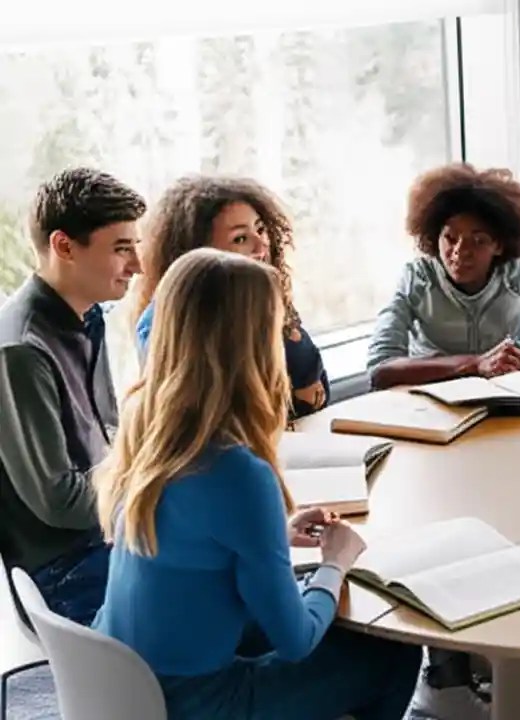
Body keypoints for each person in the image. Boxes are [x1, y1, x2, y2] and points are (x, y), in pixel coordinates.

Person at [93, 248, 420, 720]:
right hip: (196, 704)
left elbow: (192, 548)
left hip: (126, 686)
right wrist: (337, 561)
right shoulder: (237, 473)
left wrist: (274, 536)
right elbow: (295, 641)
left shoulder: (146, 432)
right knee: (390, 649)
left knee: (307, 606)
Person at [0, 168, 145, 625]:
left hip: (104, 534)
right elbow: (59, 499)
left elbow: (110, 435)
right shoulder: (20, 350)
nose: (137, 265)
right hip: (66, 569)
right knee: (223, 592)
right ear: (64, 247)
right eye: (122, 248)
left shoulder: (88, 316)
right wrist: (155, 494)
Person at [367, 163, 520, 389]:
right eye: (450, 238)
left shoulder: (518, 279)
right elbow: (380, 370)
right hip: (430, 408)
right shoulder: (417, 279)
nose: (459, 252)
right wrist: (475, 364)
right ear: (435, 236)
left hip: (500, 408)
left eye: (478, 241)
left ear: (499, 245)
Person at [134, 176, 329, 418]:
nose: (261, 247)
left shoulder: (258, 302)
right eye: (240, 239)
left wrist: (283, 322)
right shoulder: (163, 324)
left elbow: (313, 396)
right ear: (198, 254)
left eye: (260, 229)